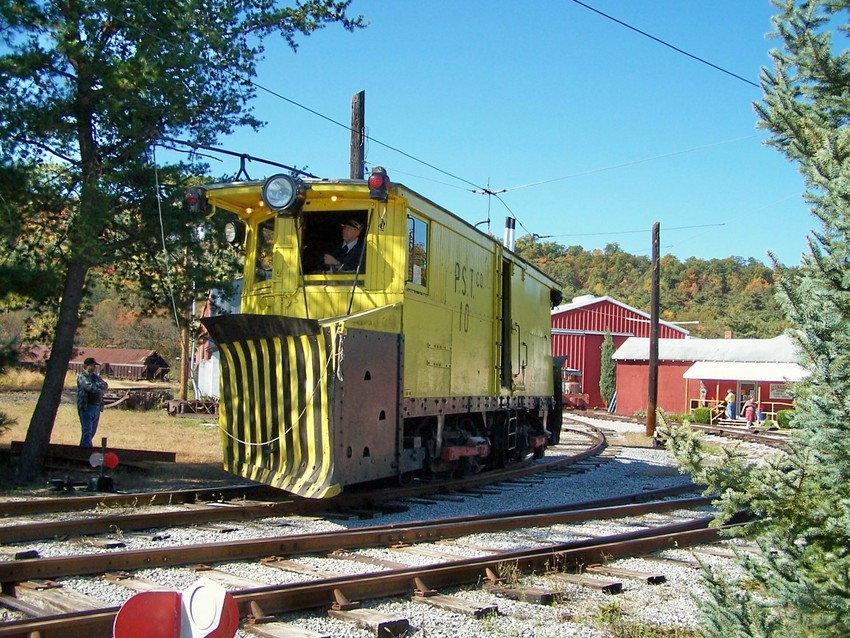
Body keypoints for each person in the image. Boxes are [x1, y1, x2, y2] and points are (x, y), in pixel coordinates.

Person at [77, 357, 108, 448]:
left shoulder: (96, 377)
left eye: (95, 366)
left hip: (97, 407)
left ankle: (82, 450)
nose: (94, 367)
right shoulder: (82, 377)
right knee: (87, 431)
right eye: (92, 365)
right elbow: (89, 387)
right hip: (86, 407)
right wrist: (99, 386)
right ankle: (87, 451)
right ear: (85, 366)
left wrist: (98, 386)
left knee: (92, 432)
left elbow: (105, 385)